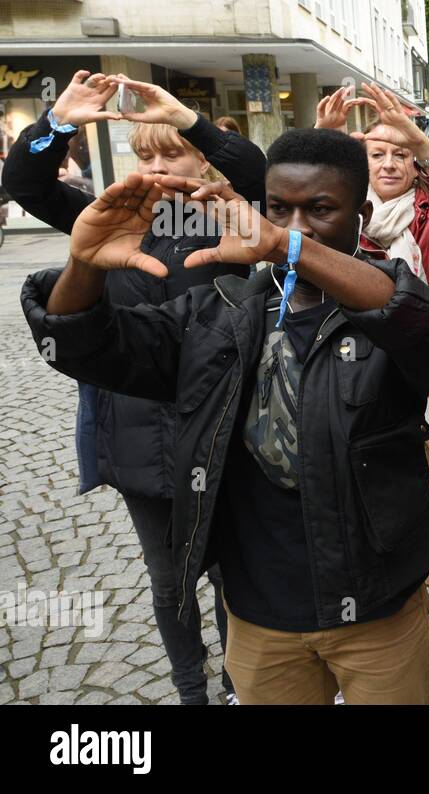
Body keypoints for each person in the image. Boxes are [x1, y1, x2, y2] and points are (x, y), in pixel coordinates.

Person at [22, 128, 429, 704]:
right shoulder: (219, 310)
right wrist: (85, 263)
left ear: (362, 215)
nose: (296, 225)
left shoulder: (387, 309)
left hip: (379, 608)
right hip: (260, 616)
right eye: (279, 209)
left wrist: (288, 248)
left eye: (320, 210)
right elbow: (85, 346)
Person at [2, 71, 265, 706]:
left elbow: (259, 174)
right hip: (138, 430)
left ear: (202, 160)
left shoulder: (232, 217)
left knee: (231, 570)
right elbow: (25, 185)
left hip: (221, 421)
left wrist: (189, 121)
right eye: (145, 155)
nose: (156, 167)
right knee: (169, 579)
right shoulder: (114, 214)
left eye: (172, 153)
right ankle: (190, 689)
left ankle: (238, 683)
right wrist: (57, 124)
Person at [320, 82, 429, 703]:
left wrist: (424, 145)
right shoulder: (339, 215)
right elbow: (293, 223)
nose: (390, 163)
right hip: (351, 381)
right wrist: (327, 145)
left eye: (400, 154)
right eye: (377, 153)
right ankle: (390, 626)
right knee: (370, 503)